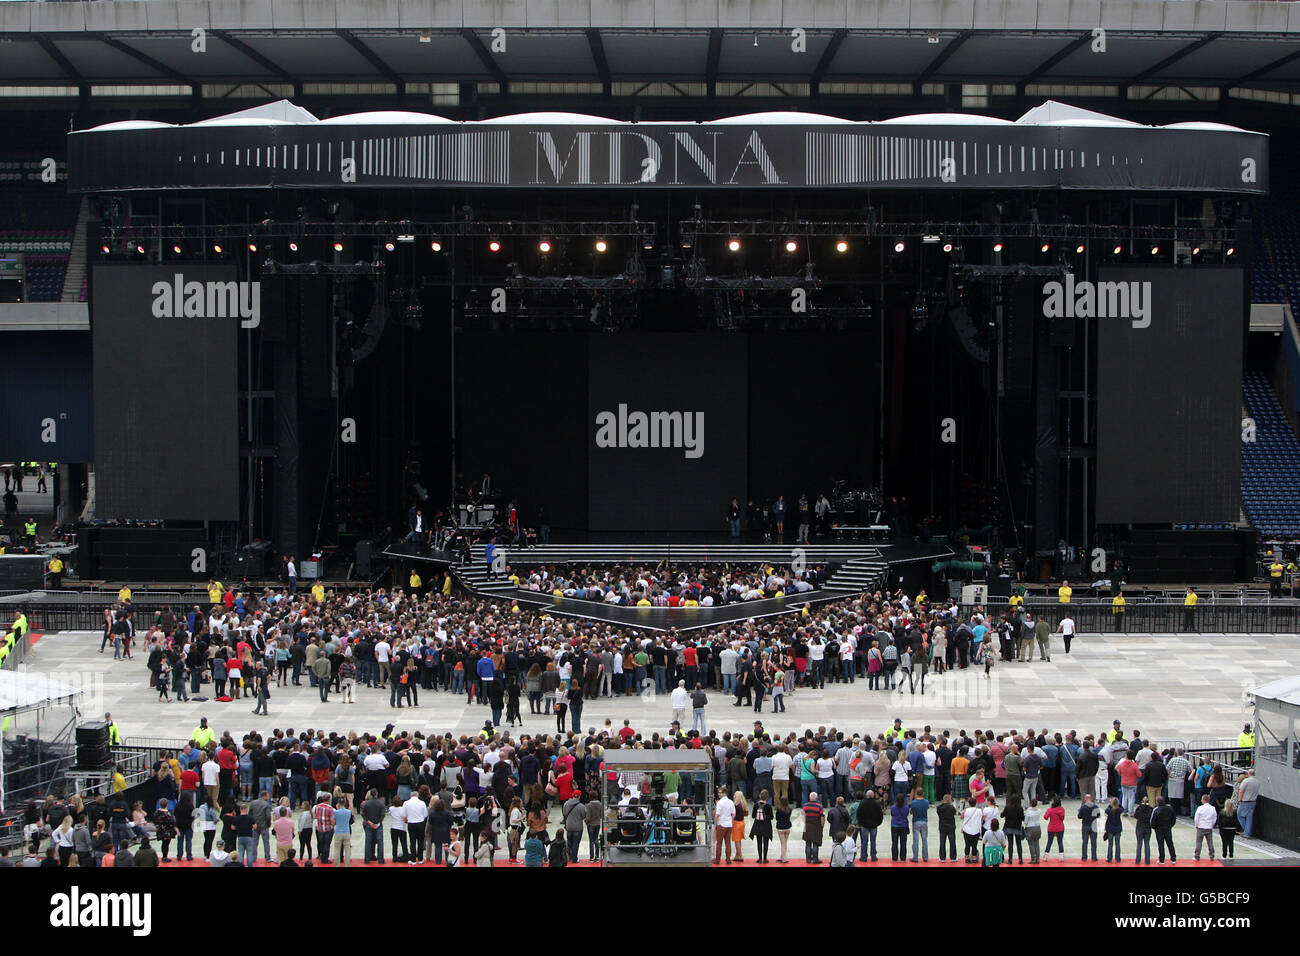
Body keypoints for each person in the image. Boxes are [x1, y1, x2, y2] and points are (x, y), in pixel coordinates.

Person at [1193, 794, 1218, 860]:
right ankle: (1212, 856)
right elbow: (1214, 818)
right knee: (1210, 842)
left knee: (1199, 842)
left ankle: (1197, 856)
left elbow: (1196, 818)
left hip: (1201, 826)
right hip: (1209, 827)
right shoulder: (1213, 808)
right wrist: (1212, 825)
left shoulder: (1200, 808)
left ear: (1203, 800)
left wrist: (1196, 825)